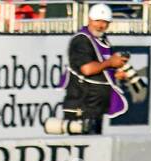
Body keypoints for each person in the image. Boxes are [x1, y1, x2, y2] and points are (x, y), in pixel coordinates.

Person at [55, 3, 129, 135]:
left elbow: (101, 68)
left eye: (105, 22)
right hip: (81, 106)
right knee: (81, 145)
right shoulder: (81, 40)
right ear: (89, 19)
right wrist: (110, 62)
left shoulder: (102, 40)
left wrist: (115, 74)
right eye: (97, 21)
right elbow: (87, 69)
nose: (101, 25)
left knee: (95, 143)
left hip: (95, 107)